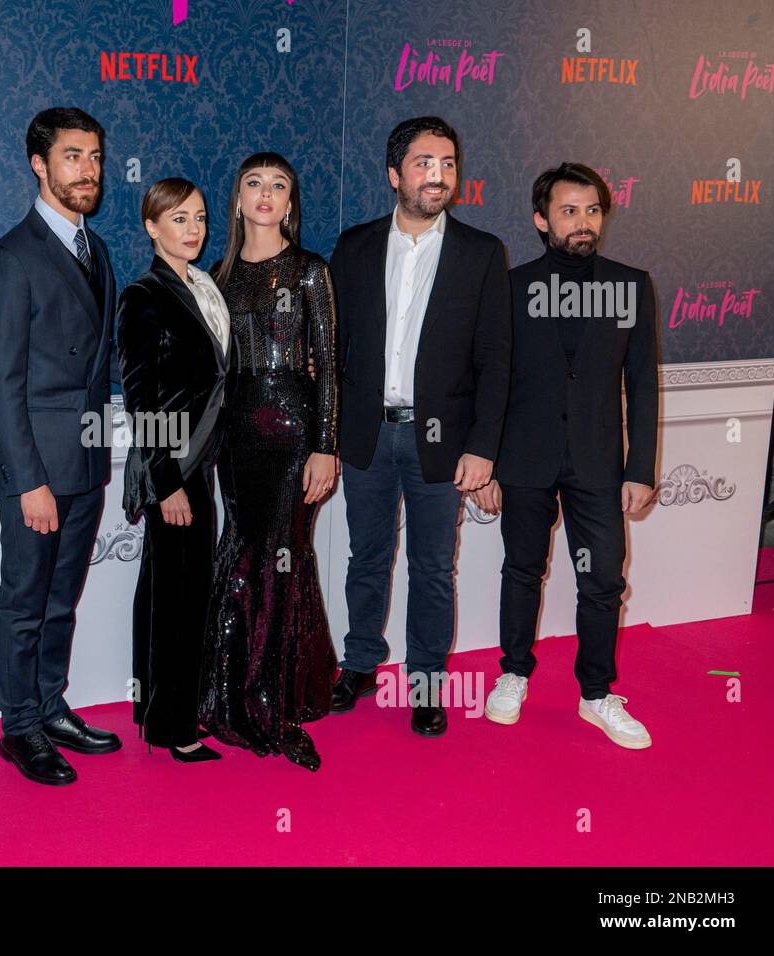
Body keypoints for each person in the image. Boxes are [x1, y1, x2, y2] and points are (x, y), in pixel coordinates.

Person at [328, 116, 511, 737]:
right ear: (393, 174)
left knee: (434, 566)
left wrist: (484, 447)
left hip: (442, 440)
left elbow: (496, 359)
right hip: (366, 435)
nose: (438, 175)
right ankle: (359, 663)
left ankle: (427, 682)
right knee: (366, 558)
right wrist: (328, 435)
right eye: (424, 163)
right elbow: (333, 350)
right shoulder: (353, 247)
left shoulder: (481, 253)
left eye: (448, 164)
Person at [475, 162, 657, 749]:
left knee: (602, 578)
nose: (583, 223)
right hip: (524, 458)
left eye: (593, 210)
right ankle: (512, 673)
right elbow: (492, 380)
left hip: (599, 462)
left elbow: (643, 383)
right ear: (541, 219)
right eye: (569, 211)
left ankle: (597, 694)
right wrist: (487, 461)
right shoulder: (511, 288)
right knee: (522, 570)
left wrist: (641, 468)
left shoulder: (630, 285)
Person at [0, 107, 121, 786]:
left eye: (94, 156)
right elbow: (0, 382)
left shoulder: (96, 249)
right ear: (39, 164)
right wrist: (27, 478)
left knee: (62, 597)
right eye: (72, 156)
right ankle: (18, 727)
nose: (87, 170)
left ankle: (49, 704)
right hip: (34, 466)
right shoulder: (10, 258)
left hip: (84, 462)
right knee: (25, 598)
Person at [198, 152, 340, 772]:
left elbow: (329, 366)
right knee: (242, 556)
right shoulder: (214, 275)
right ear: (236, 200)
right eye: (253, 183)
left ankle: (275, 707)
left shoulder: (311, 272)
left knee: (284, 559)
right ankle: (229, 694)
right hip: (235, 441)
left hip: (293, 438)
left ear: (290, 204)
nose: (265, 193)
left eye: (278, 185)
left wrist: (326, 445)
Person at [118, 178, 230, 763]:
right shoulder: (145, 295)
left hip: (201, 465)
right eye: (179, 218)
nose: (193, 229)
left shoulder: (205, 288)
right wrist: (167, 485)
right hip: (174, 470)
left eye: (200, 218)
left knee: (164, 590)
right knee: (181, 597)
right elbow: (142, 400)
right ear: (151, 227)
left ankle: (154, 709)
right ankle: (175, 726)